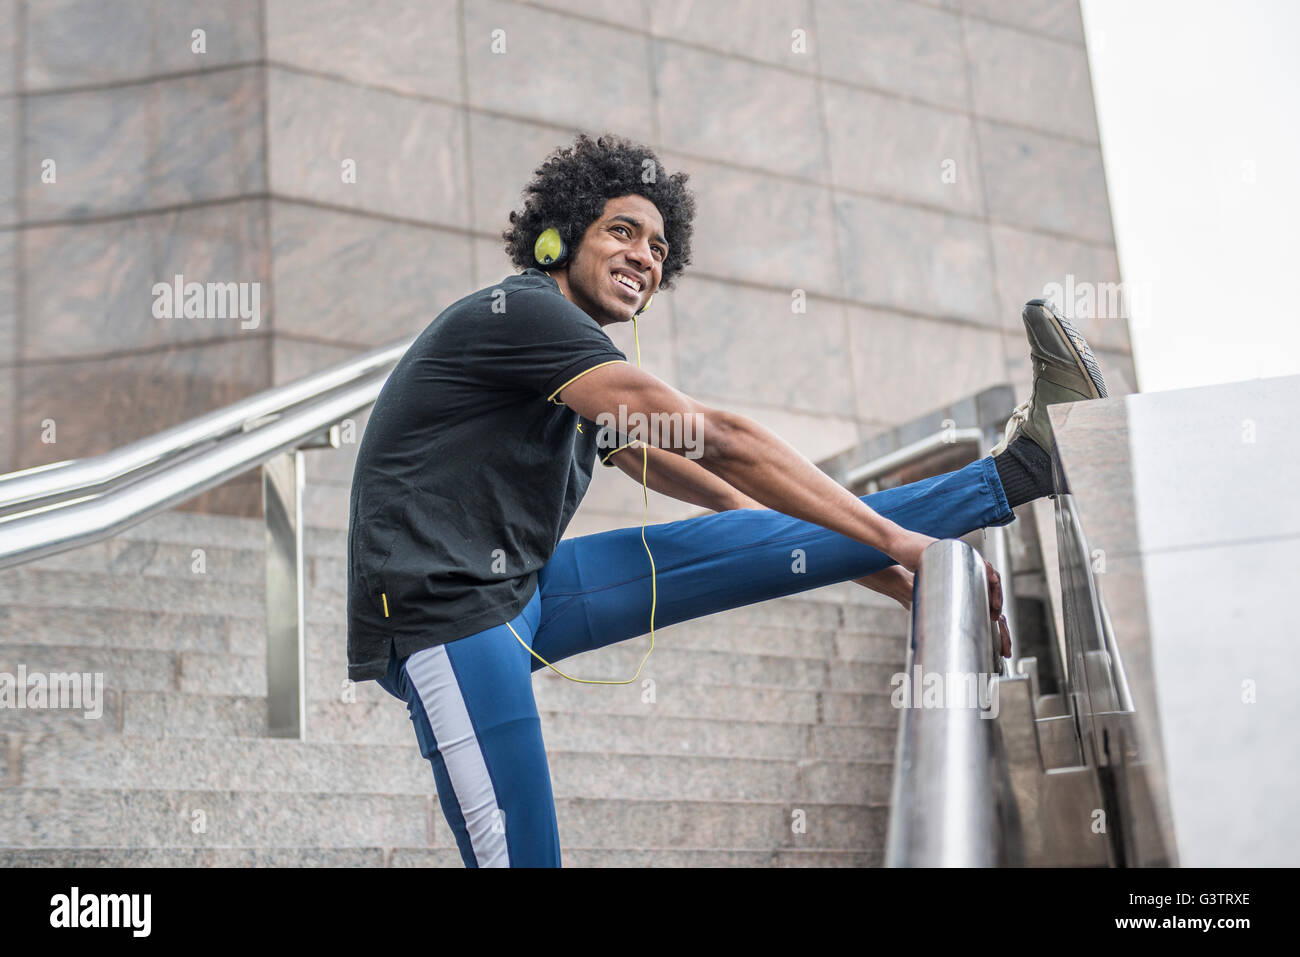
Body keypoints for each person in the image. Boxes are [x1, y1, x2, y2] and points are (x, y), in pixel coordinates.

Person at [345, 132, 1108, 868]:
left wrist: (880, 568)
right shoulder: (522, 316)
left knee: (745, 535)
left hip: (523, 588)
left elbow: (686, 475)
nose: (644, 256)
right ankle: (1016, 471)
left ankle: (1024, 469)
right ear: (562, 236)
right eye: (622, 231)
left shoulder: (570, 358)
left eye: (658, 248)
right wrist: (896, 540)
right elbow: (718, 438)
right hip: (449, 618)